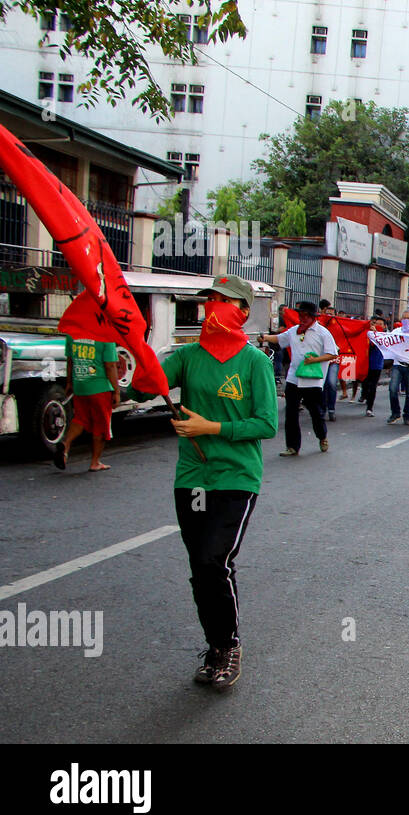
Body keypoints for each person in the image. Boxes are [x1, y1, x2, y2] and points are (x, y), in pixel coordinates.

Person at [124, 274, 276, 690]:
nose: (213, 307)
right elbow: (143, 389)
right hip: (192, 479)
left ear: (242, 311)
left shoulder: (254, 362)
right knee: (200, 568)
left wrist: (211, 426)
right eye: (208, 299)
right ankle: (213, 645)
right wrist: (131, 355)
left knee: (214, 561)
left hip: (236, 477)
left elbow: (266, 423)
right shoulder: (188, 356)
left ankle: (229, 646)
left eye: (222, 300)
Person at [258, 300, 337, 455]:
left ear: (313, 317)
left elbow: (333, 353)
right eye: (301, 315)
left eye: (306, 316)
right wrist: (265, 337)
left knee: (315, 412)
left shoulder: (322, 333)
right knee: (291, 412)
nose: (303, 318)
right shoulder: (294, 331)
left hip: (312, 380)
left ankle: (322, 436)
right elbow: (280, 339)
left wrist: (315, 360)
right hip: (294, 378)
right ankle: (292, 446)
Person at [55, 333, 120, 472]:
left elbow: (70, 360)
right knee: (101, 425)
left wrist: (69, 383)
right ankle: (95, 462)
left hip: (80, 384)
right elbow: (110, 366)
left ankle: (65, 445)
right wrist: (116, 391)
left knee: (80, 419)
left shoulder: (72, 334)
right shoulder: (105, 335)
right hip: (100, 387)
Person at [386, 311, 409, 425]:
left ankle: (407, 416)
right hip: (397, 364)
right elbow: (386, 342)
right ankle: (395, 413)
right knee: (393, 389)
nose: (406, 320)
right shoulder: (396, 332)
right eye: (404, 318)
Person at [361, 314, 385, 417]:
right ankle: (363, 395)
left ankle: (369, 407)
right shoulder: (367, 334)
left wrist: (375, 333)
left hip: (376, 364)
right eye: (376, 323)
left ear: (384, 327)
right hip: (365, 363)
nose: (378, 325)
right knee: (365, 383)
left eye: (380, 324)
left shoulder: (386, 337)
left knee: (373, 386)